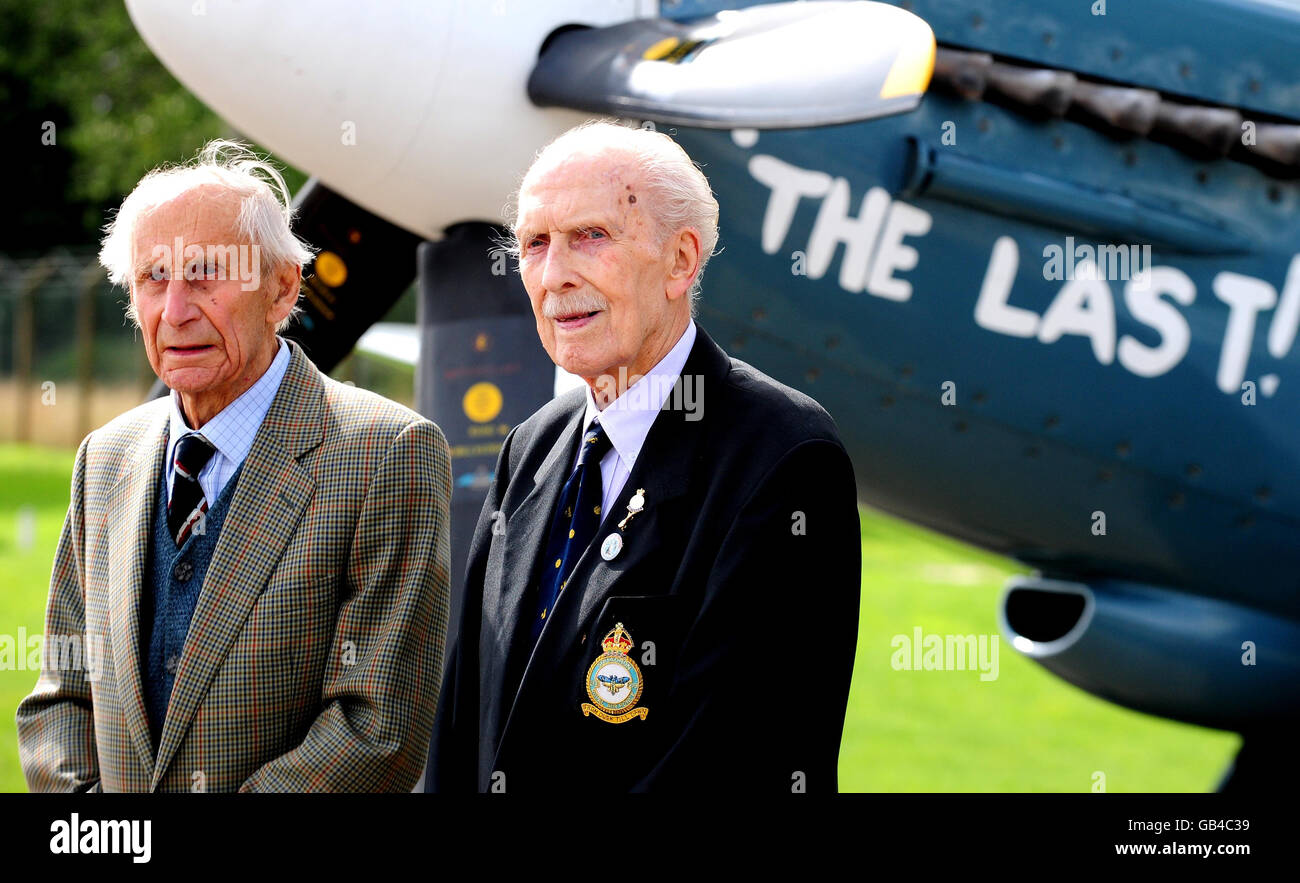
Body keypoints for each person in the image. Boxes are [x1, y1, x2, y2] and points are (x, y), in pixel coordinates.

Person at [426, 121, 861, 793]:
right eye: (535, 244)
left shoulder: (782, 455)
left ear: (681, 261)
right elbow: (463, 727)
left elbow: (737, 760)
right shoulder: (531, 447)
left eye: (590, 237)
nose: (554, 275)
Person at [16, 140, 452, 792]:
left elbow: (376, 728)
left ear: (281, 290)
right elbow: (60, 694)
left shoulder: (389, 454)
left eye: (206, 274)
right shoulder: (104, 458)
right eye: (153, 278)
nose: (176, 309)